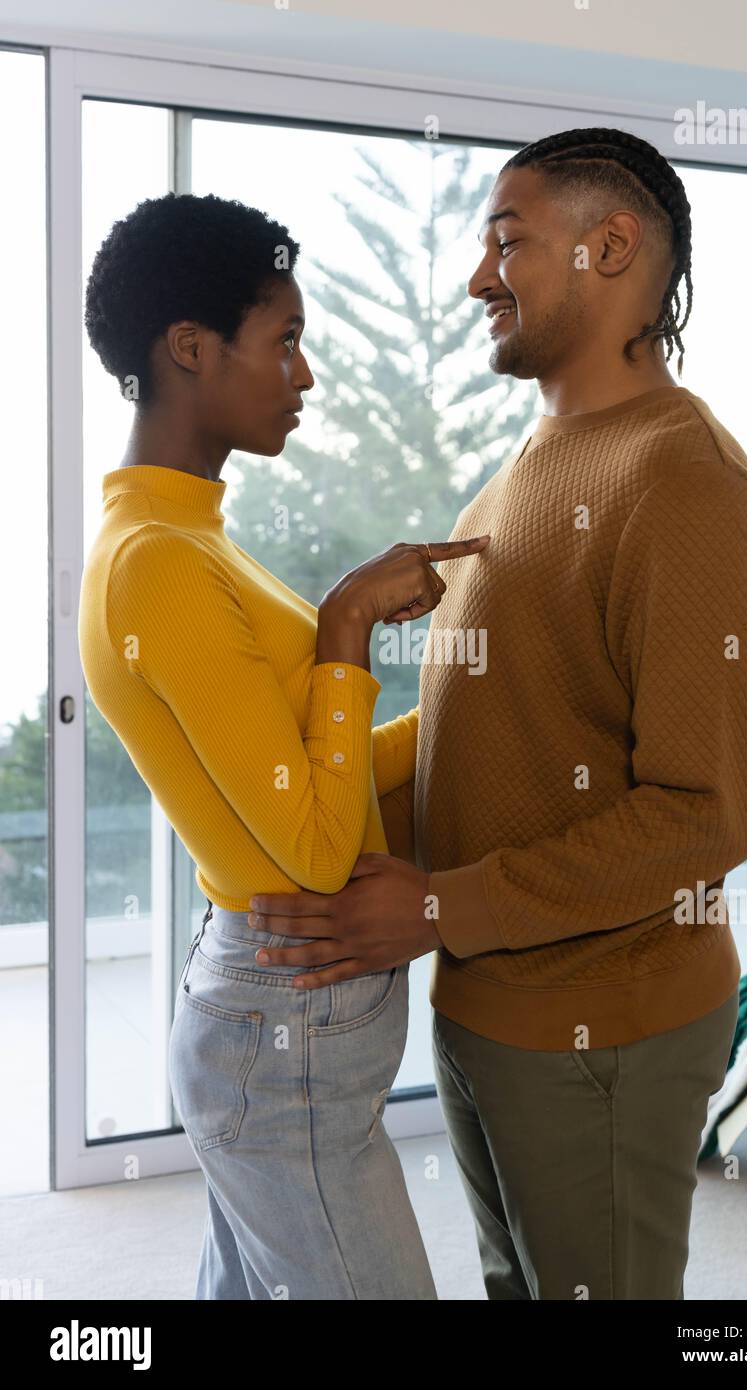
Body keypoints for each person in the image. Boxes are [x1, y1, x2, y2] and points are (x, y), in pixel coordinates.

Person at [246, 127, 747, 1300]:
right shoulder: (525, 468)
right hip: (488, 999)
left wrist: (444, 903)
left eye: (508, 242)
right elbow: (490, 737)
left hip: (605, 1027)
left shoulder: (683, 483)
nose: (478, 277)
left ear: (610, 245)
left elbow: (705, 816)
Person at [78, 190, 490, 1299]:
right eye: (288, 341)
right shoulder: (159, 564)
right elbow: (314, 849)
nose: (306, 376)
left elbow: (324, 770)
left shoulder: (191, 535)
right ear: (190, 349)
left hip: (280, 1024)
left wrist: (470, 707)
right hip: (283, 1029)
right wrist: (347, 622)